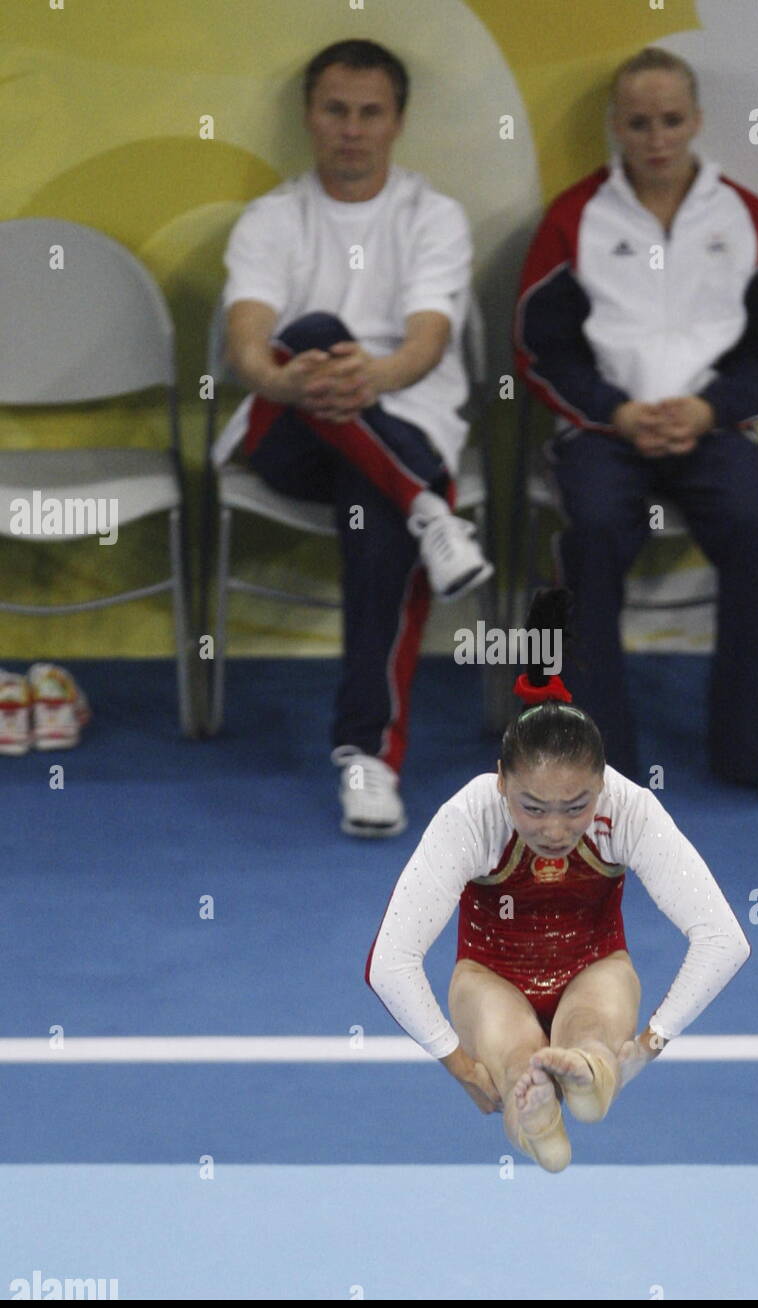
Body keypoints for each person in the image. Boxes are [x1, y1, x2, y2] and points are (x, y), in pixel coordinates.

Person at [514, 46, 758, 813]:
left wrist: (710, 408)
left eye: (672, 120)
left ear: (697, 121)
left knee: (754, 529)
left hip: (711, 428)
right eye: (640, 122)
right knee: (591, 534)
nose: (656, 137)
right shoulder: (573, 217)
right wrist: (613, 409)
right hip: (603, 430)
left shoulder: (745, 216)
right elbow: (537, 346)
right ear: (616, 125)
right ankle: (595, 768)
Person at [365, 590, 750, 1173]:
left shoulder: (629, 809)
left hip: (594, 967)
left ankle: (588, 1074)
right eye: (533, 808)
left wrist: (647, 1046)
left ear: (602, 785)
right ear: (500, 784)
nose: (555, 828)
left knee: (591, 1030)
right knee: (515, 1055)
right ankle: (540, 1109)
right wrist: (461, 1066)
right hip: (489, 976)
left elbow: (724, 940)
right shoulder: (472, 815)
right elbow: (390, 961)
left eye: (576, 806)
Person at [215, 39, 492, 837]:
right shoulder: (273, 218)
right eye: (335, 110)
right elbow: (248, 338)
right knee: (311, 328)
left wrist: (370, 379)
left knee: (376, 526)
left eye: (370, 112)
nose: (351, 129)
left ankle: (367, 760)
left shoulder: (431, 215)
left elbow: (429, 340)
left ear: (397, 122)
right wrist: (289, 378)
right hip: (288, 429)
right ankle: (431, 513)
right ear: (310, 115)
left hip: (405, 420)